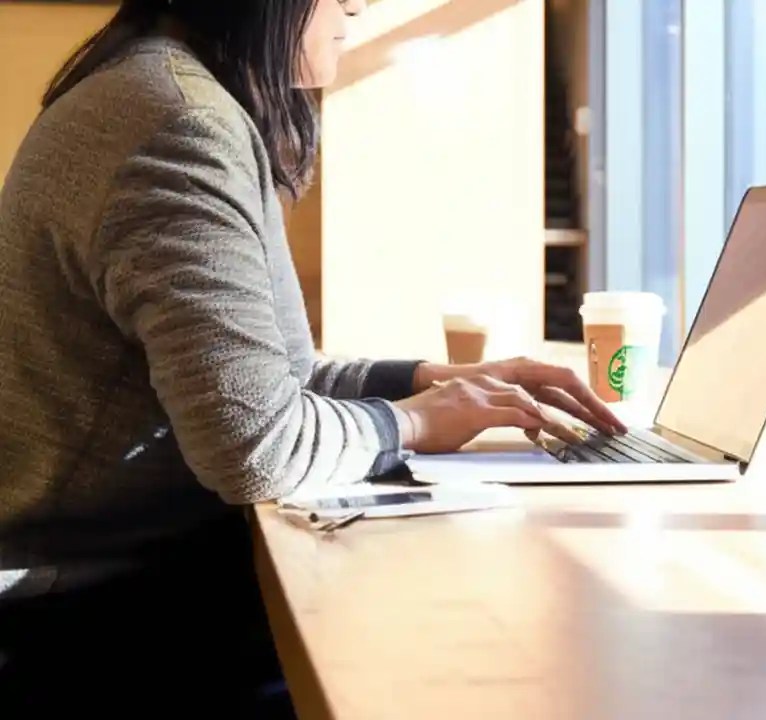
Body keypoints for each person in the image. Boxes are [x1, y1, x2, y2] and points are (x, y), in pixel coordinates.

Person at [0, 0, 622, 715]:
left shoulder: (164, 91)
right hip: (77, 615)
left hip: (121, 579)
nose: (358, 3)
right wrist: (410, 424)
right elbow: (256, 444)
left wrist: (427, 383)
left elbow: (267, 380)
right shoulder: (174, 123)